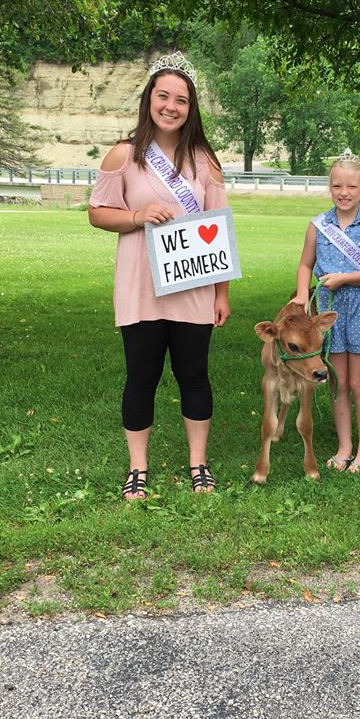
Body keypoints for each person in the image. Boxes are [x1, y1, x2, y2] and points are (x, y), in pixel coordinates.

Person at [88, 52, 230, 498]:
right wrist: (137, 214)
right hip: (141, 286)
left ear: (192, 109)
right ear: (149, 98)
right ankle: (137, 468)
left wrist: (221, 294)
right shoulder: (124, 156)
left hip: (193, 287)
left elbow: (219, 229)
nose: (171, 106)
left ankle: (199, 464)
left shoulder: (206, 162)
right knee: (142, 377)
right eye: (163, 95)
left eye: (181, 100)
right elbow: (96, 213)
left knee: (194, 375)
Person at [293, 151, 360, 473]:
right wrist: (303, 294)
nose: (344, 193)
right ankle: (344, 446)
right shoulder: (318, 225)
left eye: (351, 186)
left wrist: (344, 278)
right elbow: (305, 264)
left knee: (359, 383)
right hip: (327, 312)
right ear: (329, 188)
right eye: (337, 186)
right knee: (337, 381)